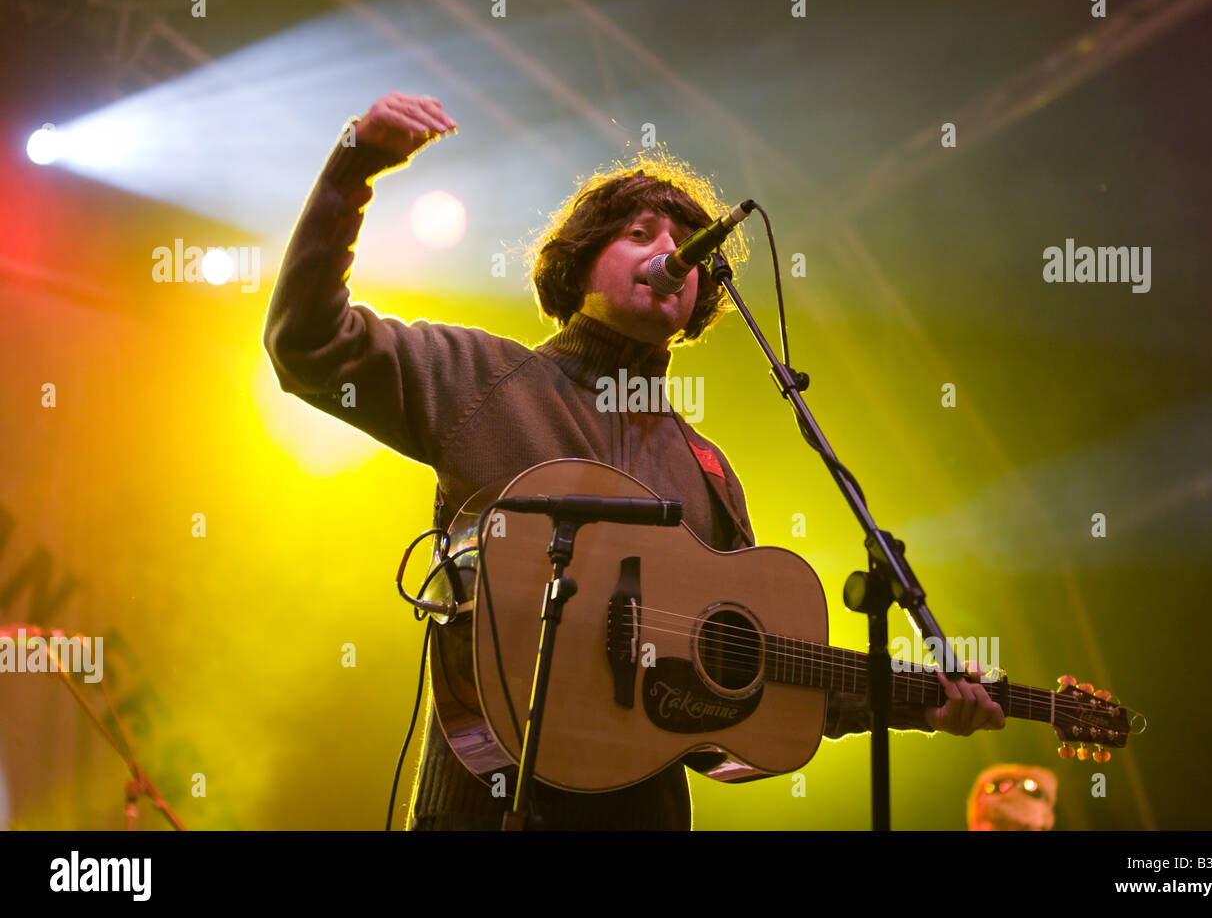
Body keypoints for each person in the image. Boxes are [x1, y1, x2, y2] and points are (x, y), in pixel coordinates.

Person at [262, 92, 1005, 830]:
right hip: (483, 807)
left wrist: (921, 705)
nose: (669, 254)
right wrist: (353, 166)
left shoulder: (707, 469)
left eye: (687, 243)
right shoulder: (480, 379)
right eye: (640, 232)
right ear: (582, 260)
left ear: (702, 296)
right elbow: (308, 345)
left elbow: (744, 681)